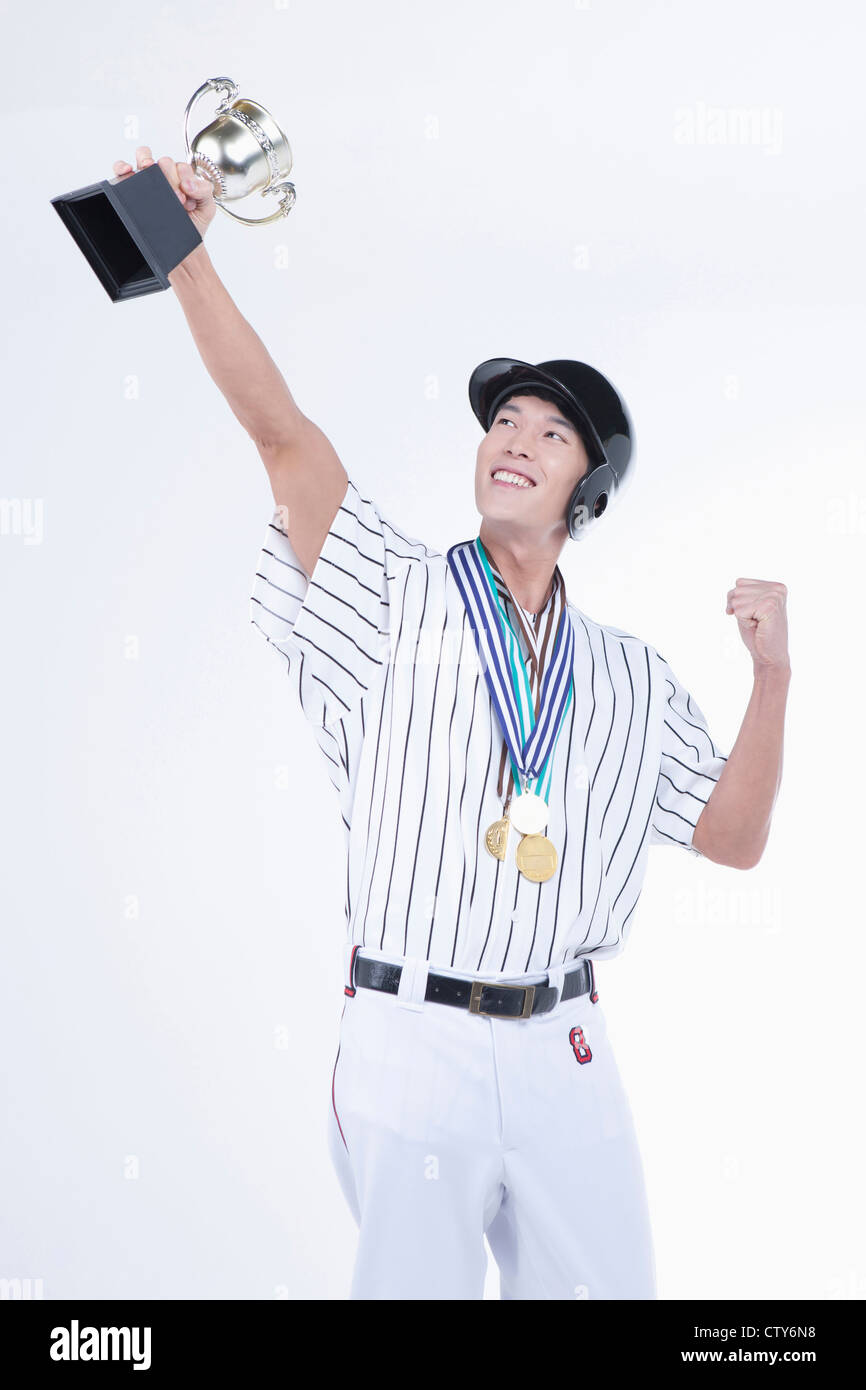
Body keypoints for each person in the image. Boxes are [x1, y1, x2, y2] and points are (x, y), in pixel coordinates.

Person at [112, 146, 792, 1301]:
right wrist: (180, 254)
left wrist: (770, 677)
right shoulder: (387, 590)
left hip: (565, 1049)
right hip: (408, 1032)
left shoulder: (629, 677)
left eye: (550, 432)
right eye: (504, 420)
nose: (514, 439)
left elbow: (730, 835)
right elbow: (281, 434)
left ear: (586, 493)